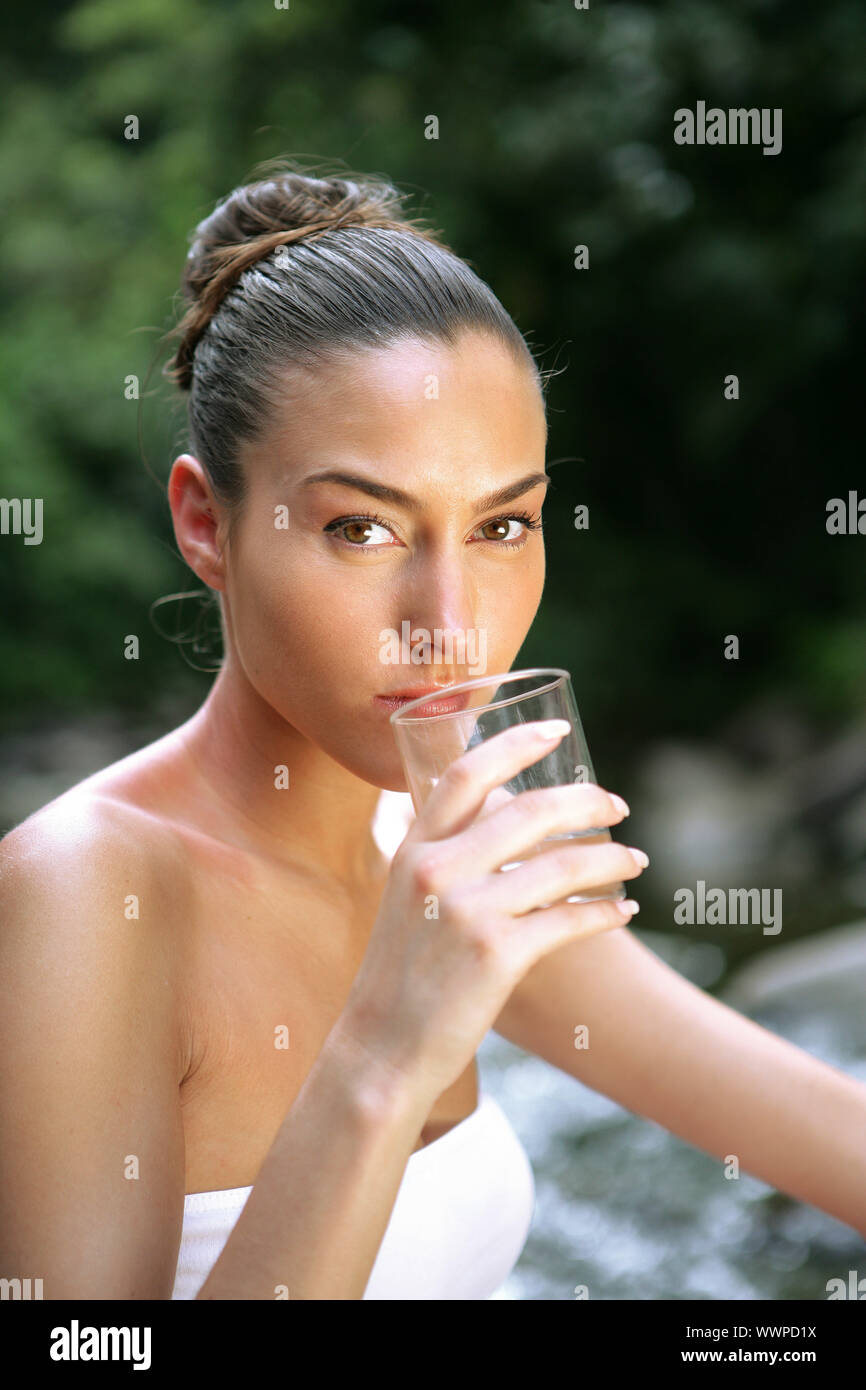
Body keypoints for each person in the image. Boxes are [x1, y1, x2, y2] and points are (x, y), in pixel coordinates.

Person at [1, 163, 863, 1302]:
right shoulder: (85, 894)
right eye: (360, 527)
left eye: (502, 523)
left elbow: (815, 1129)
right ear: (207, 523)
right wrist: (382, 1049)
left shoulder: (435, 835)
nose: (449, 629)